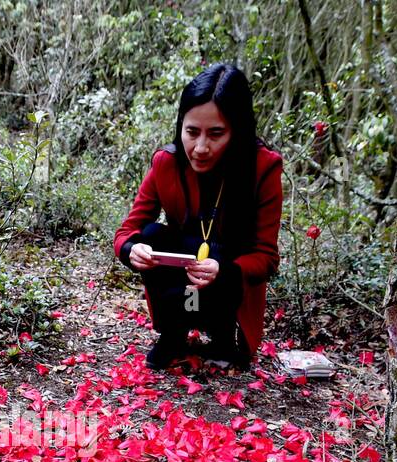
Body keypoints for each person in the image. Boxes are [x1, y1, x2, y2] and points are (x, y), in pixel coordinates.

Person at [113, 63, 283, 370]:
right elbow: (129, 229)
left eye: (216, 133)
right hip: (184, 271)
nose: (201, 147)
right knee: (150, 236)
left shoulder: (262, 167)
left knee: (220, 255)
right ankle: (174, 333)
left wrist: (225, 270)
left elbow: (267, 257)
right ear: (181, 126)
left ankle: (223, 336)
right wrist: (130, 249)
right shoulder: (167, 162)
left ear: (237, 131)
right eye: (192, 132)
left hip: (227, 276)